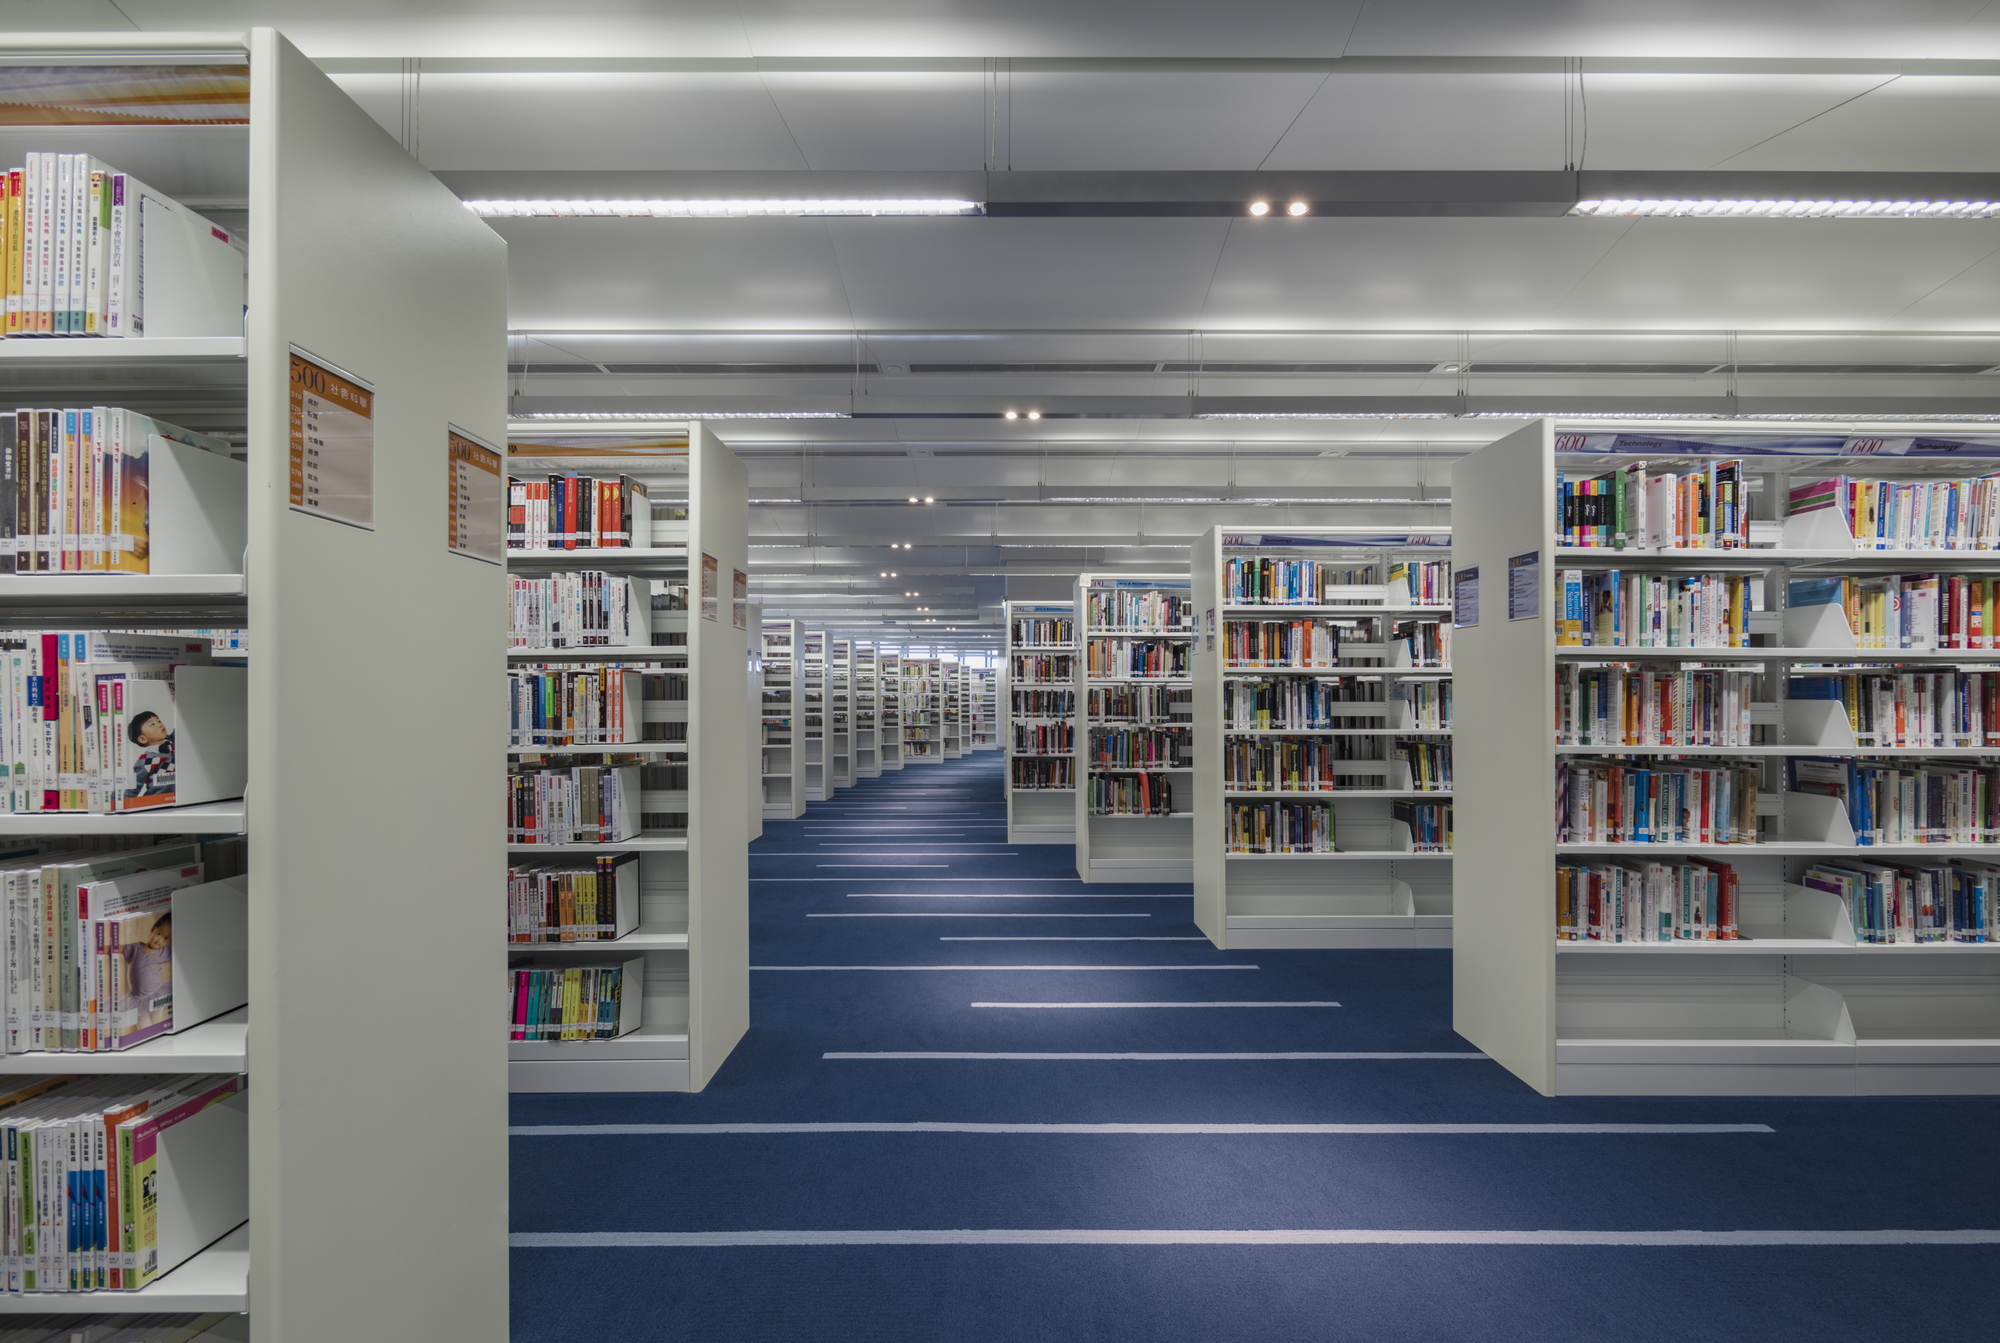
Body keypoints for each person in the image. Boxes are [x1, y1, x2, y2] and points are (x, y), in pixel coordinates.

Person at [119, 910, 173, 1036]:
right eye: (159, 934)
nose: (160, 940)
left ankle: (158, 1047)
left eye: (166, 938)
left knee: (156, 1027)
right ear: (153, 929)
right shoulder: (135, 948)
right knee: (146, 1030)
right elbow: (117, 948)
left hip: (157, 994)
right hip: (138, 999)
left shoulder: (164, 951)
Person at [127, 709, 174, 800]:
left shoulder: (174, 745)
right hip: (155, 801)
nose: (159, 724)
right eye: (152, 724)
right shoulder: (145, 761)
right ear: (143, 739)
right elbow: (132, 788)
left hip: (178, 798)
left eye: (159, 721)